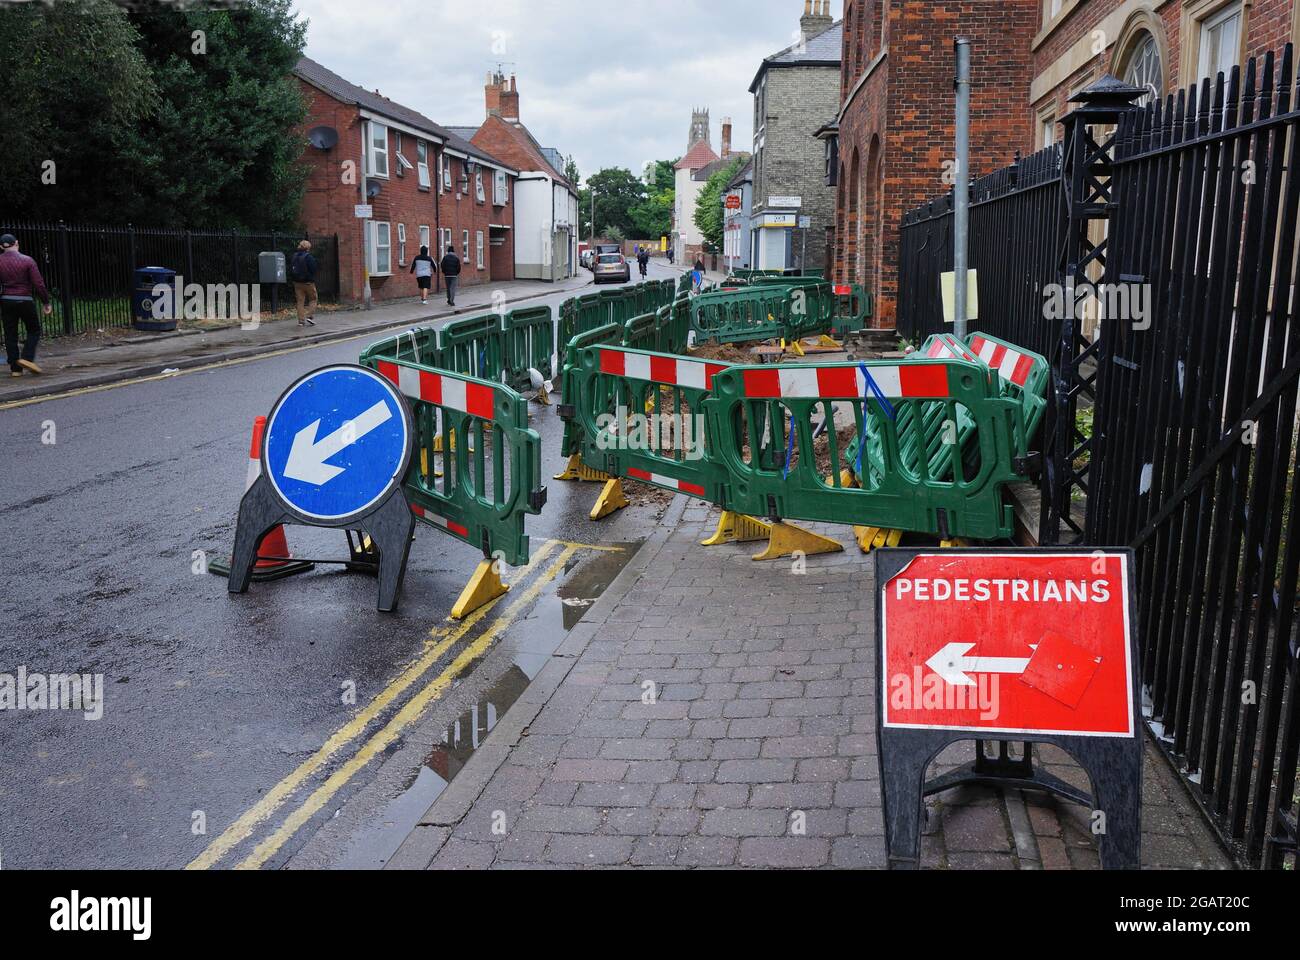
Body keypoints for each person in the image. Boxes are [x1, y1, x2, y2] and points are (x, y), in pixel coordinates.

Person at [0, 234, 51, 377]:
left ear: (1, 246)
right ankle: (27, 358)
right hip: (25, 300)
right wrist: (45, 302)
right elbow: (38, 284)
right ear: (16, 243)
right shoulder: (27, 260)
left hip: (6, 301)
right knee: (34, 330)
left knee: (10, 334)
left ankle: (15, 369)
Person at [289, 239, 317, 326]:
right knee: (313, 299)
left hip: (297, 283)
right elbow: (313, 269)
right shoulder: (309, 257)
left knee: (300, 302)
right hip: (308, 283)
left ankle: (301, 321)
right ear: (308, 248)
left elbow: (291, 268)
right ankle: (309, 316)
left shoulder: (294, 256)